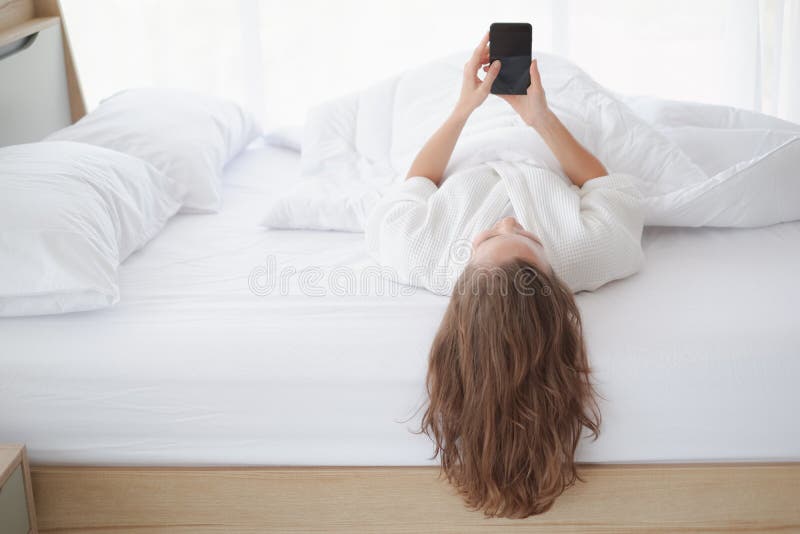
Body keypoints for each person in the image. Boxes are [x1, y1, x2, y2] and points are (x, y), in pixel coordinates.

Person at [365, 33, 645, 518]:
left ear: (465, 272)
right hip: (546, 127)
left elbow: (416, 183)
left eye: (491, 236)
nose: (511, 222)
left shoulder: (421, 250)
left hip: (454, 129)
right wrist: (539, 118)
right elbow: (607, 186)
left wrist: (460, 110)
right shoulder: (586, 251)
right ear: (554, 284)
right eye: (529, 239)